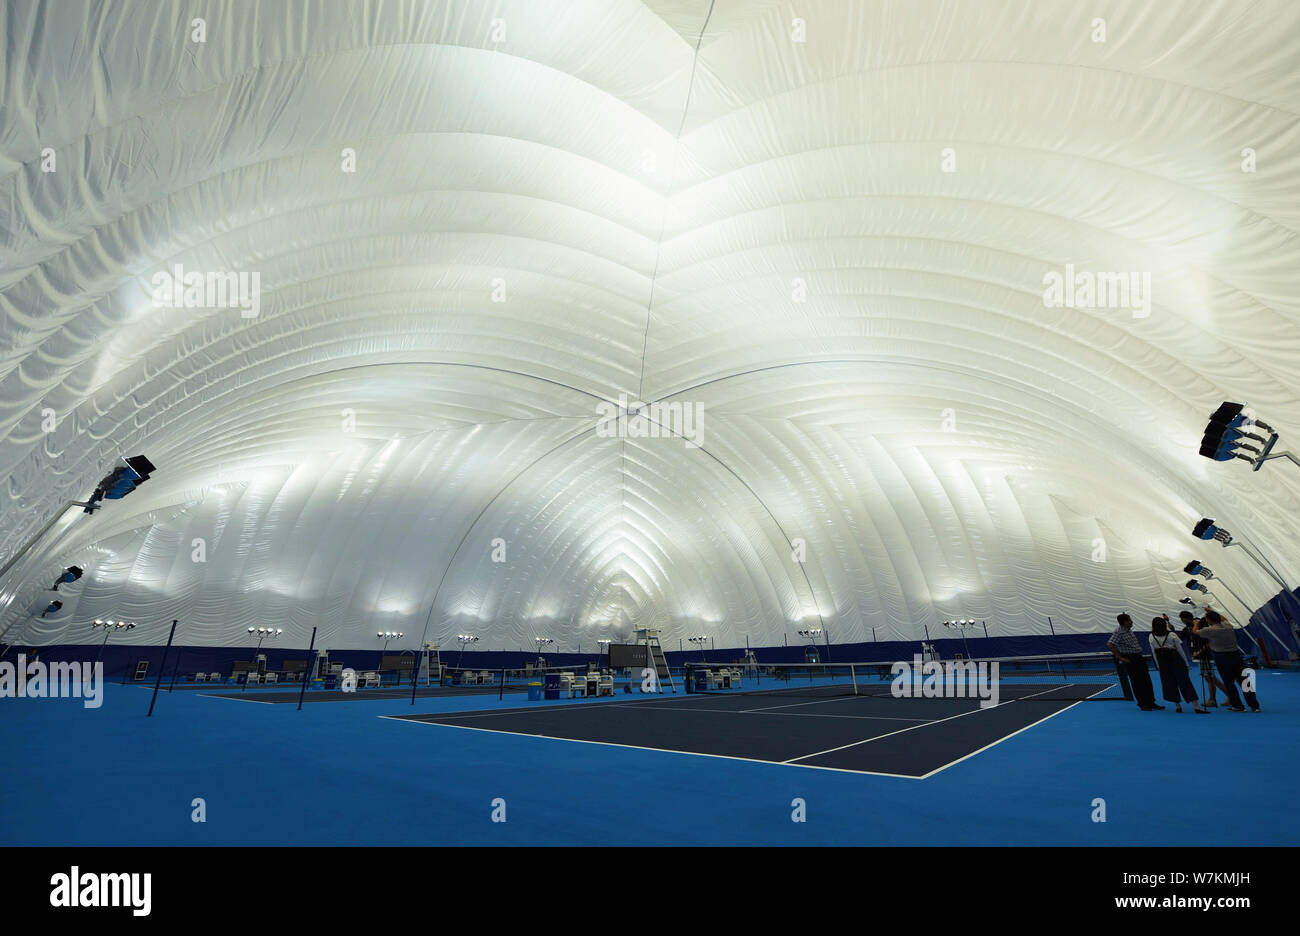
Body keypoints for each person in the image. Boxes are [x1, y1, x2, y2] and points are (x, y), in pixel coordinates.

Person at [1193, 609, 1260, 713]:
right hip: (1236, 656)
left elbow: (1195, 632)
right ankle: (1254, 705)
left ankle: (1238, 705)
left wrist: (1196, 623)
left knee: (1229, 682)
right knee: (1244, 682)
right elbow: (1224, 619)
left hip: (1222, 658)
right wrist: (1212, 610)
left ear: (1209, 620)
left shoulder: (1209, 630)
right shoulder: (1228, 626)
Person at [1149, 616, 1207, 713]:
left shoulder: (1151, 636)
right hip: (1175, 659)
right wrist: (1186, 663)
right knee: (1185, 682)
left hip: (1162, 661)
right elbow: (1180, 650)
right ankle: (1196, 706)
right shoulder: (1172, 635)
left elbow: (1154, 652)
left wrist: (1158, 665)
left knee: (1169, 683)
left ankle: (1178, 706)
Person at [1107, 613, 1161, 710]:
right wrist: (1120, 657)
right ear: (1124, 622)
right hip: (1130, 659)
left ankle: (1151, 702)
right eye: (1129, 620)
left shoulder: (1128, 630)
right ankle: (1142, 703)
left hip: (1138, 657)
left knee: (1146, 680)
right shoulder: (1118, 632)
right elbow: (1110, 644)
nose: (1131, 621)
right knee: (1137, 682)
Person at [1178, 610, 1225, 707]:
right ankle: (1230, 696)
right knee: (1212, 678)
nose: (1182, 621)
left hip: (1205, 656)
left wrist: (1200, 652)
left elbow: (1208, 641)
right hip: (1199, 657)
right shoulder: (1186, 629)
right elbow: (1179, 640)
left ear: (1186, 618)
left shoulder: (1201, 625)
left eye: (1183, 619)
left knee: (1209, 678)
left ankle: (1212, 700)